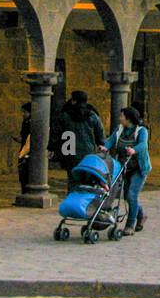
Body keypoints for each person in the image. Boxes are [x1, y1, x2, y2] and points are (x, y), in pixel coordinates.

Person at [104, 107, 150, 235]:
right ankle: (141, 215)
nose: (120, 118)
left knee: (131, 195)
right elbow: (111, 140)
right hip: (124, 167)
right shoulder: (120, 129)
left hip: (139, 168)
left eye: (122, 116)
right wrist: (105, 147)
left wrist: (134, 150)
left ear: (128, 119)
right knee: (129, 197)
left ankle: (130, 225)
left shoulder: (141, 131)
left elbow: (143, 144)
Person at [54, 91, 105, 181]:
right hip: (88, 150)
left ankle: (73, 193)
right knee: (87, 176)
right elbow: (99, 131)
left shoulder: (65, 115)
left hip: (69, 150)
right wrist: (101, 143)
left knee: (72, 177)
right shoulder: (92, 115)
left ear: (74, 100)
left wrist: (53, 147)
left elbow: (56, 132)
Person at [16, 102, 32, 194]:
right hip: (24, 148)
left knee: (26, 174)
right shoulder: (25, 122)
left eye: (25, 112)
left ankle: (26, 192)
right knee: (22, 175)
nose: (23, 114)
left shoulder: (31, 123)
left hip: (27, 151)